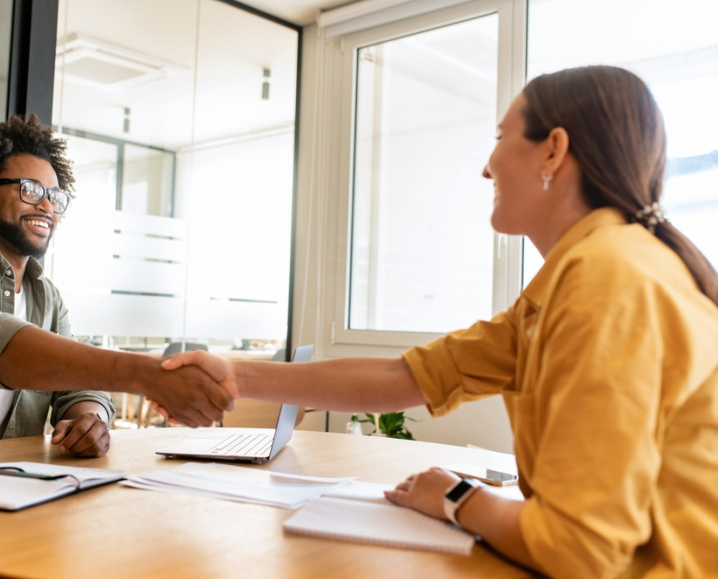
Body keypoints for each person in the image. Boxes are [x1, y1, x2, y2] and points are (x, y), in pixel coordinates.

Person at [161, 66, 718, 578]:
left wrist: (457, 500)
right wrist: (235, 373)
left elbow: (580, 550)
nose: (486, 167)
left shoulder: (609, 279)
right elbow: (403, 377)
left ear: (553, 150)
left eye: (500, 137)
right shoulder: (576, 280)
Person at [0, 114, 233, 578]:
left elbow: (80, 390)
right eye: (30, 190)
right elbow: (0, 347)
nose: (47, 205)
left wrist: (89, 419)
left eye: (56, 196)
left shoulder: (47, 297)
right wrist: (145, 373)